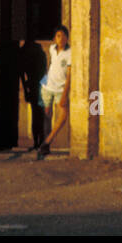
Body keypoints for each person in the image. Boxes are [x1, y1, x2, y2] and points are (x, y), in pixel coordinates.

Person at [36, 25, 71, 160]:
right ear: (54, 38)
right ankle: (45, 148)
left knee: (63, 116)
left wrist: (65, 94)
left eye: (63, 35)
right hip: (47, 86)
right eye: (58, 36)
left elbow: (69, 76)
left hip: (60, 89)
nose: (61, 38)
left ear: (67, 37)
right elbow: (51, 64)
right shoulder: (51, 49)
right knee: (47, 115)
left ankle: (47, 141)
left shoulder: (70, 53)